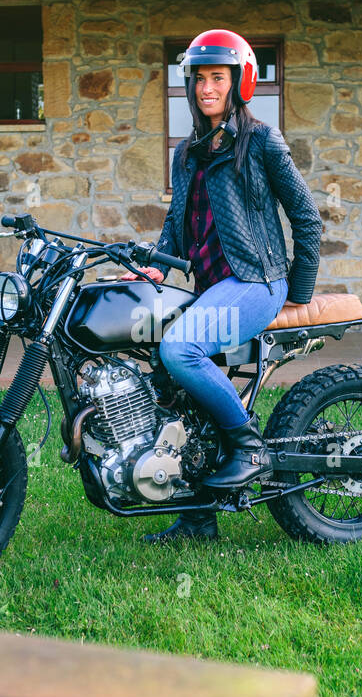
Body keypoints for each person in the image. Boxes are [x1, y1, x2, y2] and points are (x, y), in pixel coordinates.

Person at [120, 28, 323, 545]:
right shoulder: (187, 152)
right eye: (200, 78)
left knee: (180, 349)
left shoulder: (261, 141)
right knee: (168, 383)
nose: (207, 88)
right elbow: (176, 221)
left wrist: (297, 291)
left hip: (256, 281)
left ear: (239, 81)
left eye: (218, 77)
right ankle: (197, 518)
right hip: (211, 285)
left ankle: (248, 447)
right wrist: (156, 266)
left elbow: (307, 217)